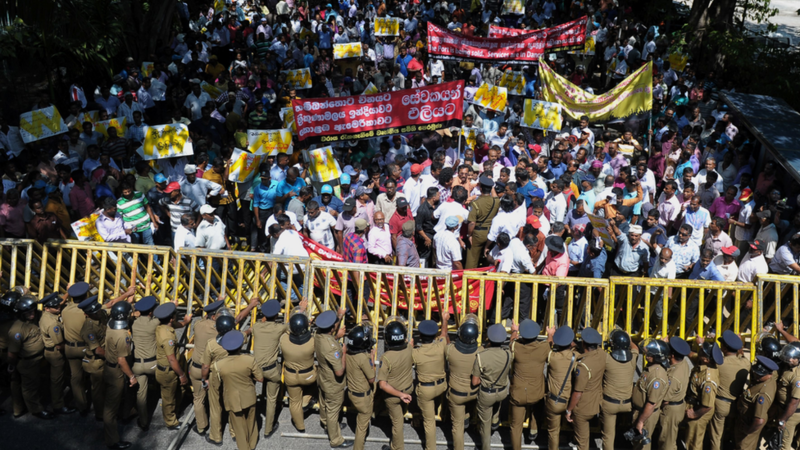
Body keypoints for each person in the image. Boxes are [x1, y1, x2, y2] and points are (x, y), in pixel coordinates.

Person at [216, 330, 264, 450]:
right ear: (240, 346)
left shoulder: (219, 365)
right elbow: (260, 378)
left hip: (232, 399)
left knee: (238, 427)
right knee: (251, 421)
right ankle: (252, 444)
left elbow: (216, 384)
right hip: (248, 396)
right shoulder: (249, 360)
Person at [7, 294, 51, 420]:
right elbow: (12, 353)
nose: (32, 314)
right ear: (21, 313)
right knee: (30, 388)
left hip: (37, 359)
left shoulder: (32, 319)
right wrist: (11, 365)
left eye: (33, 311)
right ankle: (36, 410)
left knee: (30, 385)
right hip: (28, 362)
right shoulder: (17, 329)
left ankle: (19, 409)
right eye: (28, 312)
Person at [251, 299, 290, 439]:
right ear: (277, 315)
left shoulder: (256, 327)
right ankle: (268, 429)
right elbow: (291, 326)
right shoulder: (279, 328)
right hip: (271, 370)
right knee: (271, 399)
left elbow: (259, 324)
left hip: (255, 369)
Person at [188, 298, 227, 437]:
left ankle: (201, 427)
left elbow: (204, 320)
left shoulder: (198, 324)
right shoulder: (218, 329)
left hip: (195, 368)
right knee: (215, 401)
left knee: (198, 399)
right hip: (210, 370)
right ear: (214, 317)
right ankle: (217, 429)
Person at [508, 319, 548, 450]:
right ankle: (534, 428)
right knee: (538, 404)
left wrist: (514, 331)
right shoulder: (544, 348)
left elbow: (512, 341)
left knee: (516, 426)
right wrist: (551, 333)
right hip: (536, 393)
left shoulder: (515, 347)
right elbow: (550, 341)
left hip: (518, 393)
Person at [314, 309, 352, 448]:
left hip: (322, 378)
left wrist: (340, 316)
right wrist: (343, 353)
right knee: (333, 410)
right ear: (332, 329)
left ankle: (327, 425)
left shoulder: (318, 335)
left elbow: (329, 337)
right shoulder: (332, 349)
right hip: (333, 383)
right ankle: (336, 439)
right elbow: (339, 372)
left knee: (324, 403)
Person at [103, 300, 138, 449]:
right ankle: (113, 440)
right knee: (110, 409)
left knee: (111, 402)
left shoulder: (109, 326)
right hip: (116, 372)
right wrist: (131, 376)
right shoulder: (123, 335)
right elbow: (122, 360)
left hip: (108, 367)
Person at [472, 323, 512, 450]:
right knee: (496, 404)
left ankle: (485, 447)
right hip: (502, 392)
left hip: (487, 394)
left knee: (485, 424)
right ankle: (495, 419)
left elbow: (475, 382)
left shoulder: (481, 356)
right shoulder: (508, 354)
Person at [413, 314, 450, 450]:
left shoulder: (415, 353)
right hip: (441, 386)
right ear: (435, 336)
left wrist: (409, 346)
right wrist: (444, 320)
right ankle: (443, 412)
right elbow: (444, 333)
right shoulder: (440, 346)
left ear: (420, 336)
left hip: (426, 390)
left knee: (429, 422)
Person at [709, 330, 751, 450]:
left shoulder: (719, 364)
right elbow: (741, 356)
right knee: (733, 432)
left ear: (724, 348)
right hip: (736, 404)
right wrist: (739, 344)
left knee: (716, 436)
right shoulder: (745, 363)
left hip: (721, 403)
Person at [445, 316, 481, 450]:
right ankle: (469, 417)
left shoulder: (450, 350)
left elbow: (445, 340)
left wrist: (444, 323)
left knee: (457, 427)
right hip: (474, 393)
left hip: (456, 395)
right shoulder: (480, 352)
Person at [567, 328, 606, 450]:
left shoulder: (583, 366)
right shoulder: (602, 354)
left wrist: (569, 410)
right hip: (596, 404)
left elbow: (578, 393)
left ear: (583, 344)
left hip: (583, 408)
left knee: (582, 443)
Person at [378, 318, 414, 450]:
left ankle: (397, 448)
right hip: (408, 389)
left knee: (397, 423)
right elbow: (410, 343)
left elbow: (382, 384)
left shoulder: (386, 357)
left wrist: (400, 395)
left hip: (394, 395)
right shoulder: (409, 348)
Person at [38, 292, 75, 415]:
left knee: (52, 378)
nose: (58, 308)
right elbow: (59, 345)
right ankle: (58, 405)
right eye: (55, 307)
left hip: (48, 351)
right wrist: (73, 348)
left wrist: (67, 293)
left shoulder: (45, 315)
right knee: (57, 381)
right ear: (47, 308)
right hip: (56, 354)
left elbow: (60, 303)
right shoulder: (53, 324)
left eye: (58, 305)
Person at [154, 302, 190, 430]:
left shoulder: (161, 327)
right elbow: (171, 359)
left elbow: (175, 325)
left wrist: (185, 322)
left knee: (179, 391)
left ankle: (175, 412)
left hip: (167, 370)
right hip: (168, 372)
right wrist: (182, 375)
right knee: (168, 398)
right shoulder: (167, 337)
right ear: (171, 319)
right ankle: (171, 422)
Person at [280, 311, 317, 432]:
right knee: (317, 381)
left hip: (290, 376)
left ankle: (300, 426)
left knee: (294, 402)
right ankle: (305, 401)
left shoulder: (284, 340)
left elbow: (286, 330)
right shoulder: (312, 342)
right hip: (308, 375)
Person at [601, 330, 637, 450]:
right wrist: (629, 339)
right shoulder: (633, 359)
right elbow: (635, 348)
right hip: (627, 404)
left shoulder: (607, 359)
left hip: (610, 404)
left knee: (608, 436)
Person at [631, 338, 670, 449]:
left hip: (646, 415)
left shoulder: (657, 378)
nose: (647, 355)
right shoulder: (652, 368)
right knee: (637, 443)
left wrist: (640, 421)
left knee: (643, 445)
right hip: (641, 412)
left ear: (656, 357)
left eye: (649, 354)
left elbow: (651, 403)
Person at [684, 341, 723, 450]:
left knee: (693, 442)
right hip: (695, 404)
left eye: (701, 351)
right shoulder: (703, 362)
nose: (699, 350)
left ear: (706, 359)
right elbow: (692, 354)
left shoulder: (708, 381)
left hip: (700, 410)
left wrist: (694, 415)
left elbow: (708, 406)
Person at [734, 356, 779, 450]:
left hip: (750, 424)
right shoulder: (771, 377)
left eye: (760, 375)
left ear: (769, 374)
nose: (756, 376)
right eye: (756, 372)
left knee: (744, 446)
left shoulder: (763, 394)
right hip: (745, 419)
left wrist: (748, 431)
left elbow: (759, 420)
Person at [659, 337, 692, 450]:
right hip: (678, 406)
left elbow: (665, 400)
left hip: (670, 411)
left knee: (667, 442)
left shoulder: (674, 377)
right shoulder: (683, 363)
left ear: (672, 355)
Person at [63, 282, 90, 416]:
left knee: (76, 378)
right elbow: (108, 307)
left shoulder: (65, 310)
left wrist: (68, 292)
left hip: (70, 348)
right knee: (95, 375)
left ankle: (81, 406)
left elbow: (62, 302)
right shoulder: (86, 312)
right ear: (85, 296)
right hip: (86, 348)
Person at [772, 337, 800, 450]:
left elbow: (794, 401)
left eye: (794, 358)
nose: (790, 359)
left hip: (791, 414)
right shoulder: (788, 367)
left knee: (784, 444)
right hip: (786, 409)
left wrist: (783, 420)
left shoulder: (797, 377)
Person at [466, 177, 500, 268]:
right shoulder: (496, 201)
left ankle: (470, 277)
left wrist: (469, 235)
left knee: (472, 259)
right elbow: (495, 196)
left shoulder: (475, 203)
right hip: (491, 233)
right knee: (487, 259)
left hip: (478, 233)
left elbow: (472, 223)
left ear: (480, 188)